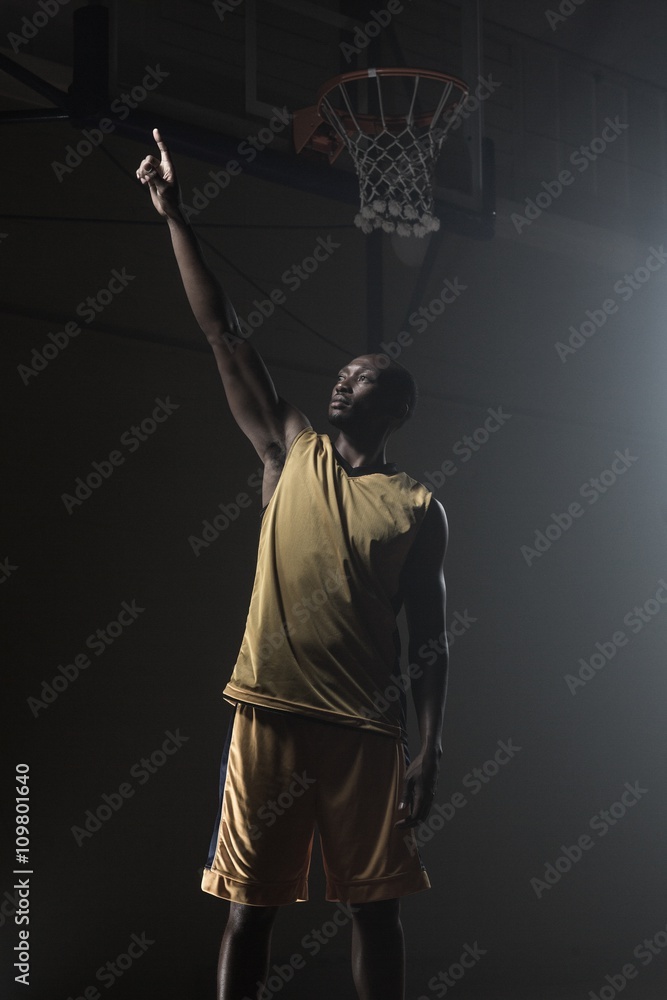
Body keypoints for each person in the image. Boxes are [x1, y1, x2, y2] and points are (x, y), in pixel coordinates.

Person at [136, 128, 449, 1000]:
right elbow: (223, 332)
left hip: (366, 730)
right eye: (342, 373)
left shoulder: (418, 506)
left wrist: (431, 749)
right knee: (250, 910)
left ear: (398, 406)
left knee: (375, 913)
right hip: (268, 713)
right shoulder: (287, 448)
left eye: (365, 375)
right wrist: (173, 213)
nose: (344, 380)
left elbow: (431, 640)